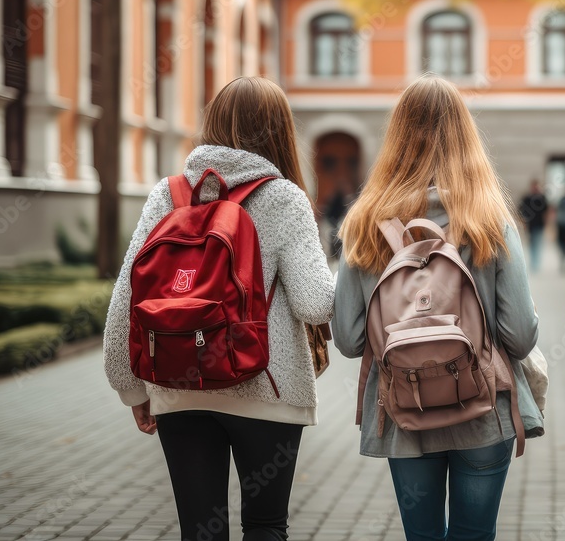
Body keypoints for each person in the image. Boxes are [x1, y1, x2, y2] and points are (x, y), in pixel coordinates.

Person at [103, 77, 335, 541]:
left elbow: (126, 297)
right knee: (265, 526)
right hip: (267, 389)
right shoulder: (284, 197)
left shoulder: (167, 194)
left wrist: (131, 389)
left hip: (176, 385)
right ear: (279, 130)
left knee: (200, 530)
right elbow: (316, 304)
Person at [333, 74, 540, 541]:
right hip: (483, 411)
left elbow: (346, 339)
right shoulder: (489, 220)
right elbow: (521, 335)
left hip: (404, 413)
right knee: (473, 534)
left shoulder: (365, 223)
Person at [520, 180, 549, 273]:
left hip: (539, 224)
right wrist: (523, 222)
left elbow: (546, 211)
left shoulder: (542, 198)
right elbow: (521, 210)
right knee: (532, 244)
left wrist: (546, 222)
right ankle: (533, 262)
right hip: (530, 225)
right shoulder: (527, 198)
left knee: (537, 243)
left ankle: (536, 263)